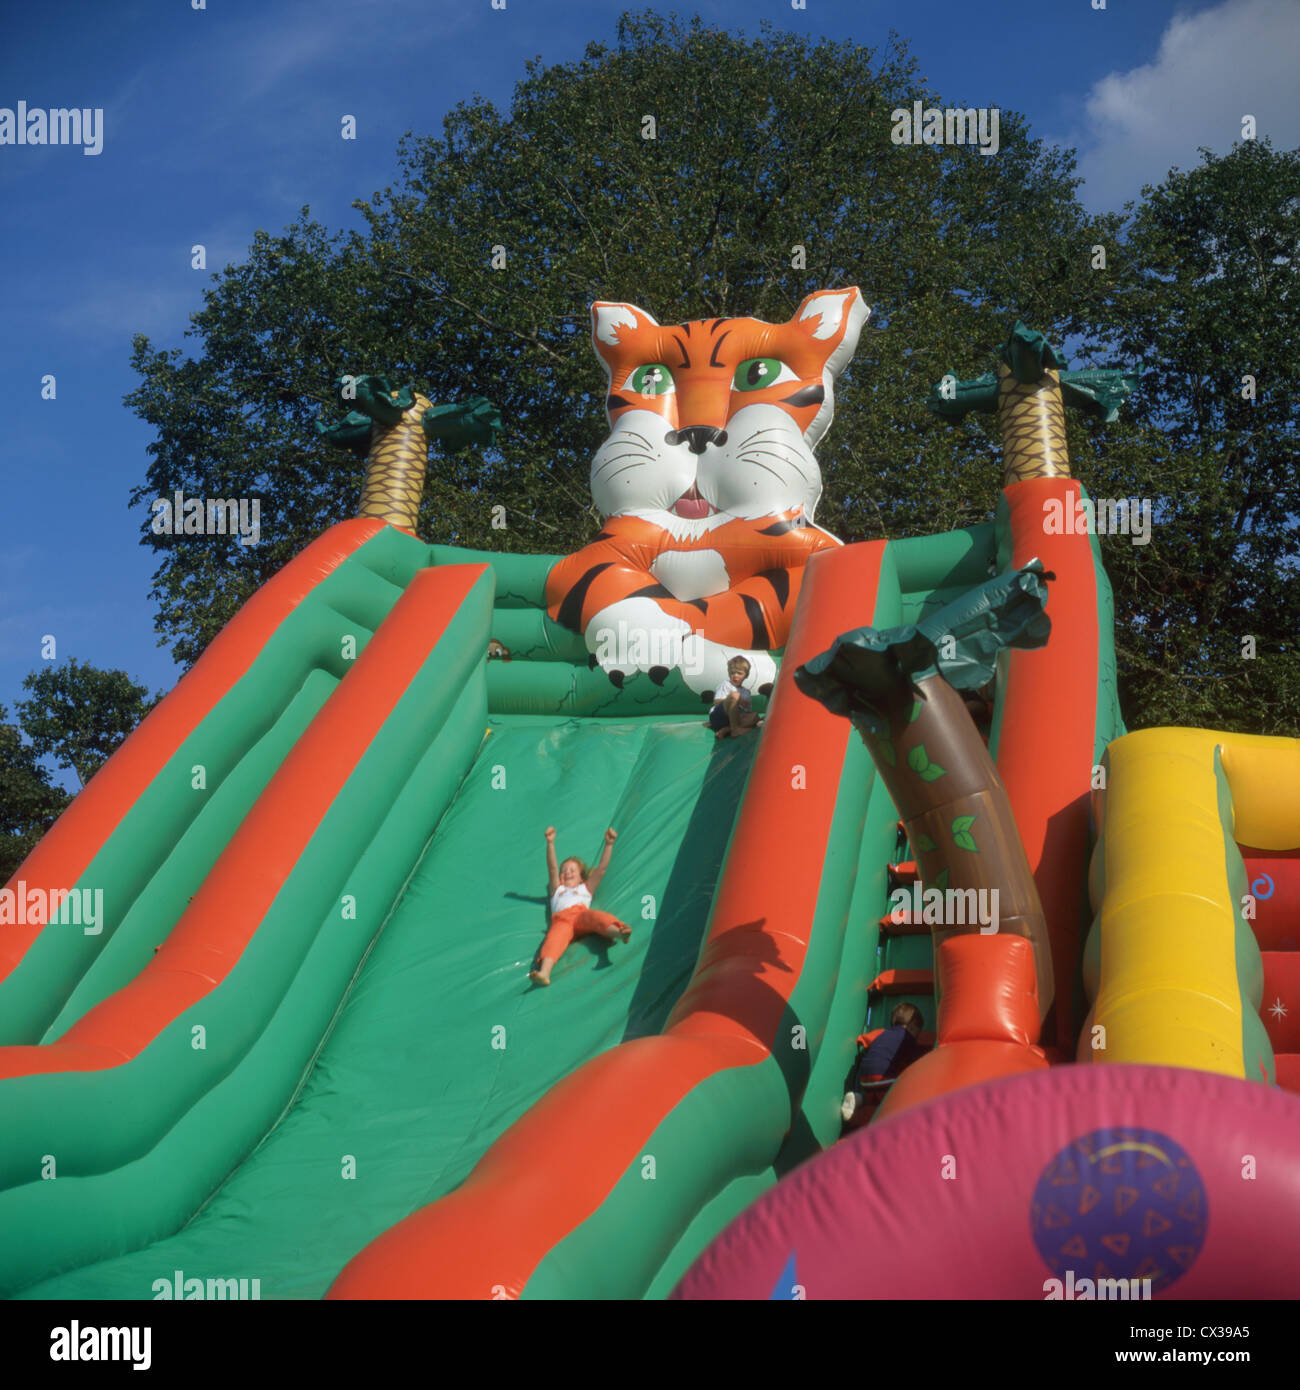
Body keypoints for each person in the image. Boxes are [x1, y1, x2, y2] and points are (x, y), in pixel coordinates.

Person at [530, 826, 631, 986]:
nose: (567, 873)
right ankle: (544, 973)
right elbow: (552, 868)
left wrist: (609, 845)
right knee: (553, 940)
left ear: (581, 877)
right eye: (564, 871)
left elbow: (601, 870)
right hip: (561, 921)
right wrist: (550, 844)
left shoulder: (585, 888)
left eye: (572, 870)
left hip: (580, 915)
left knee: (597, 918)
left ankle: (620, 932)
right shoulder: (558, 890)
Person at [840, 1002, 925, 1121]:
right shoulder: (908, 1039)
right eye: (917, 1032)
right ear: (912, 1027)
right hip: (884, 1078)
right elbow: (916, 1064)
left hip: (864, 1079)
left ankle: (858, 1098)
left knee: (875, 1096)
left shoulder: (882, 1032)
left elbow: (864, 1040)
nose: (917, 1036)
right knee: (900, 1092)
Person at [708, 656, 762, 740]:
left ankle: (727, 729)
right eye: (732, 673)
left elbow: (747, 712)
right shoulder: (725, 684)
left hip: (734, 720)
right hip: (719, 717)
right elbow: (717, 702)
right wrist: (738, 700)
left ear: (746, 675)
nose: (735, 676)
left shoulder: (746, 692)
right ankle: (735, 730)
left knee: (755, 716)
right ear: (729, 673)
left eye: (739, 673)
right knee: (735, 695)